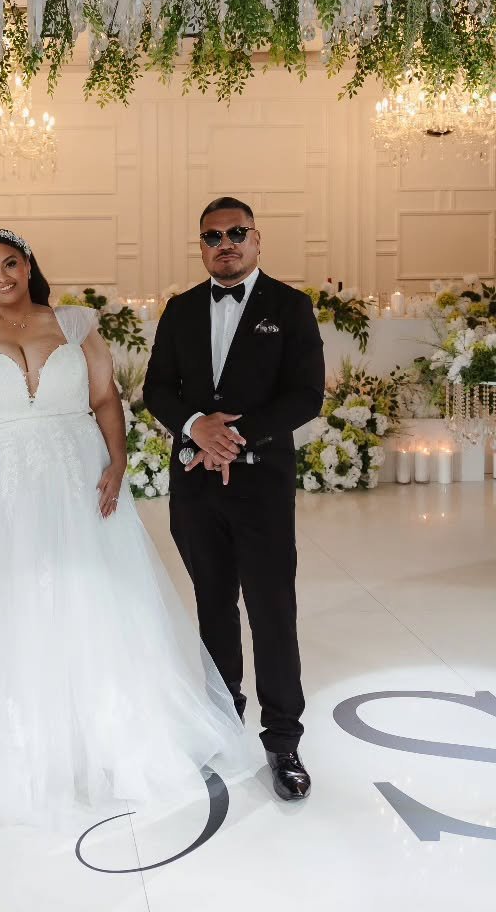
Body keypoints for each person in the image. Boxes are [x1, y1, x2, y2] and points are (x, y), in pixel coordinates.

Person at [0, 229, 245, 826]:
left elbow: (106, 400)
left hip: (76, 479)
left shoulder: (76, 324)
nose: (2, 277)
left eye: (10, 264)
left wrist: (116, 461)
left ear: (29, 265)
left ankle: (104, 730)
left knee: (91, 600)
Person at [143, 197, 324, 801]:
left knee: (272, 610)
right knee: (212, 606)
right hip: (194, 485)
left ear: (256, 238)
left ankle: (283, 740)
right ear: (201, 246)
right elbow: (157, 389)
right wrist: (198, 426)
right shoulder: (181, 308)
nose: (226, 243)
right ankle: (222, 722)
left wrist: (233, 437)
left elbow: (306, 396)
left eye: (236, 232)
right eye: (212, 236)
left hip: (262, 486)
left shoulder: (290, 307)